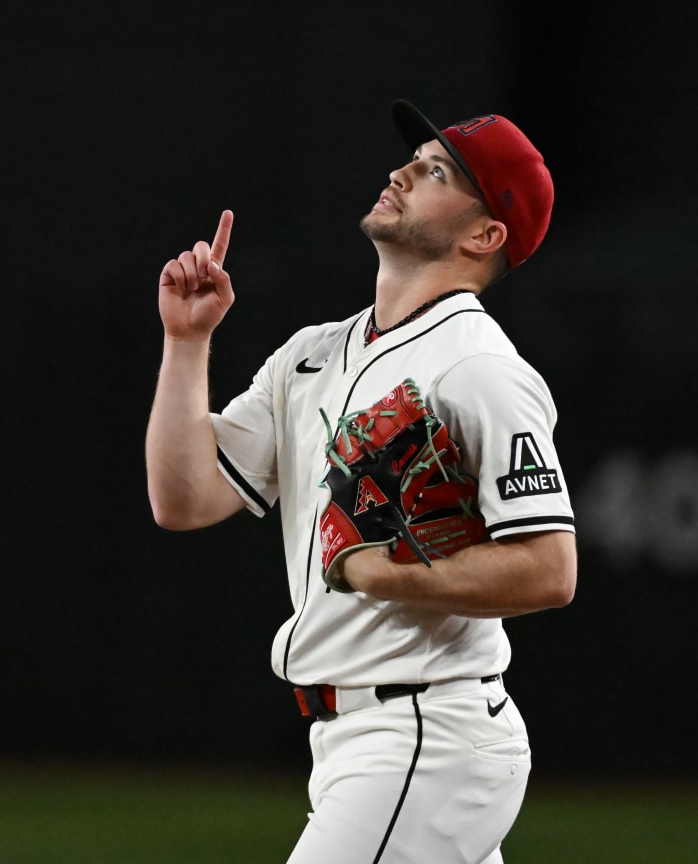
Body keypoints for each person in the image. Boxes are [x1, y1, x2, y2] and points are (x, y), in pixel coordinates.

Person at [145, 99, 576, 864]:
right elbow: (184, 499)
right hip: (353, 743)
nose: (401, 172)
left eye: (435, 170)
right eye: (413, 159)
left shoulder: (479, 368)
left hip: (426, 736)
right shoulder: (313, 354)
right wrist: (187, 344)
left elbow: (550, 569)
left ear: (484, 235)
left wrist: (383, 571)